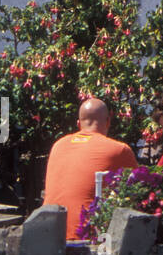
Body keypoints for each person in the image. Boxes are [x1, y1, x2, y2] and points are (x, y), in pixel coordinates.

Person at [43, 97, 138, 236]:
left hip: (46, 232)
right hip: (85, 237)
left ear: (78, 124)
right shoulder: (119, 150)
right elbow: (139, 191)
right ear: (108, 122)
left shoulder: (58, 145)